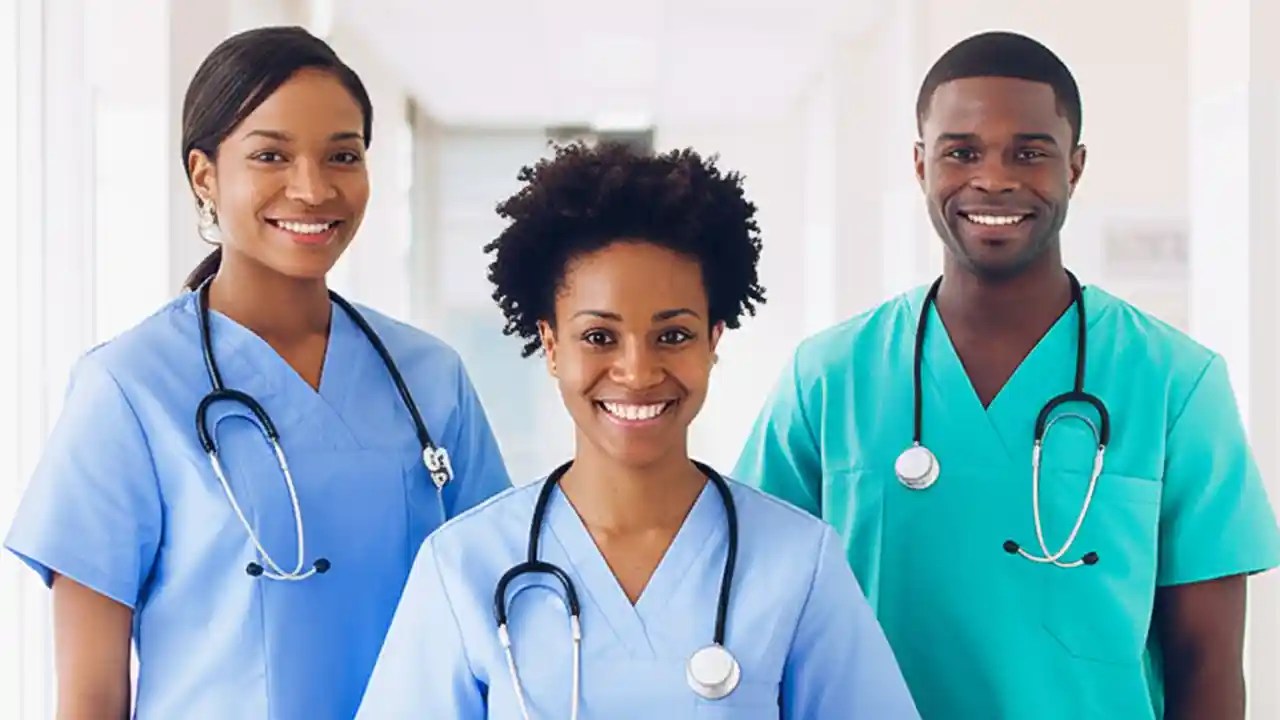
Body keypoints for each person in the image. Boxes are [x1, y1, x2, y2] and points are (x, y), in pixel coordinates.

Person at [732, 30, 1280, 720]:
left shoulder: (1175, 383)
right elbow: (756, 613)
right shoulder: (828, 379)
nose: (994, 178)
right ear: (920, 164)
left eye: (1030, 152)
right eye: (961, 152)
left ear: (1074, 168)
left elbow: (1207, 662)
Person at [3, 26, 510, 720]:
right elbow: (90, 698)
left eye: (343, 155)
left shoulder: (429, 377)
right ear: (204, 175)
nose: (312, 188)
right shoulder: (130, 388)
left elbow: (499, 615)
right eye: (271, 155)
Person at [354, 142, 920, 719]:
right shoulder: (465, 564)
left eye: (672, 336)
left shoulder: (797, 562)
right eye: (599, 337)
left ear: (713, 342)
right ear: (551, 347)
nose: (638, 372)